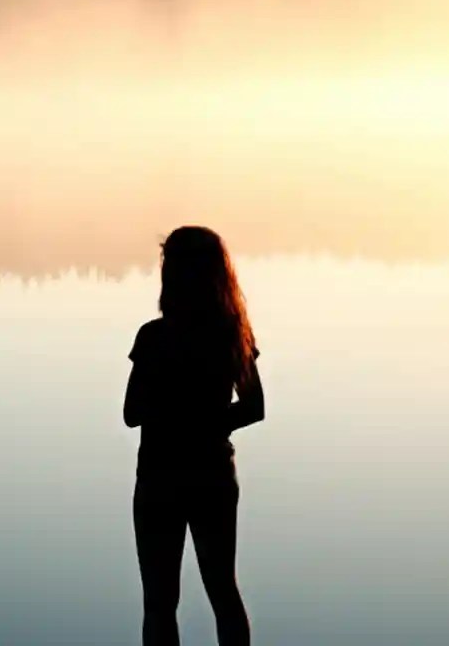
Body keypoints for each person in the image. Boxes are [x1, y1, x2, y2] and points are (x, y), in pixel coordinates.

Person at [124, 225, 264, 646]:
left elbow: (132, 414)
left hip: (159, 479)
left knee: (159, 603)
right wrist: (207, 424)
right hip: (214, 477)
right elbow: (254, 408)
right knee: (223, 590)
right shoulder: (231, 334)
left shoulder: (154, 337)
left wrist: (173, 418)